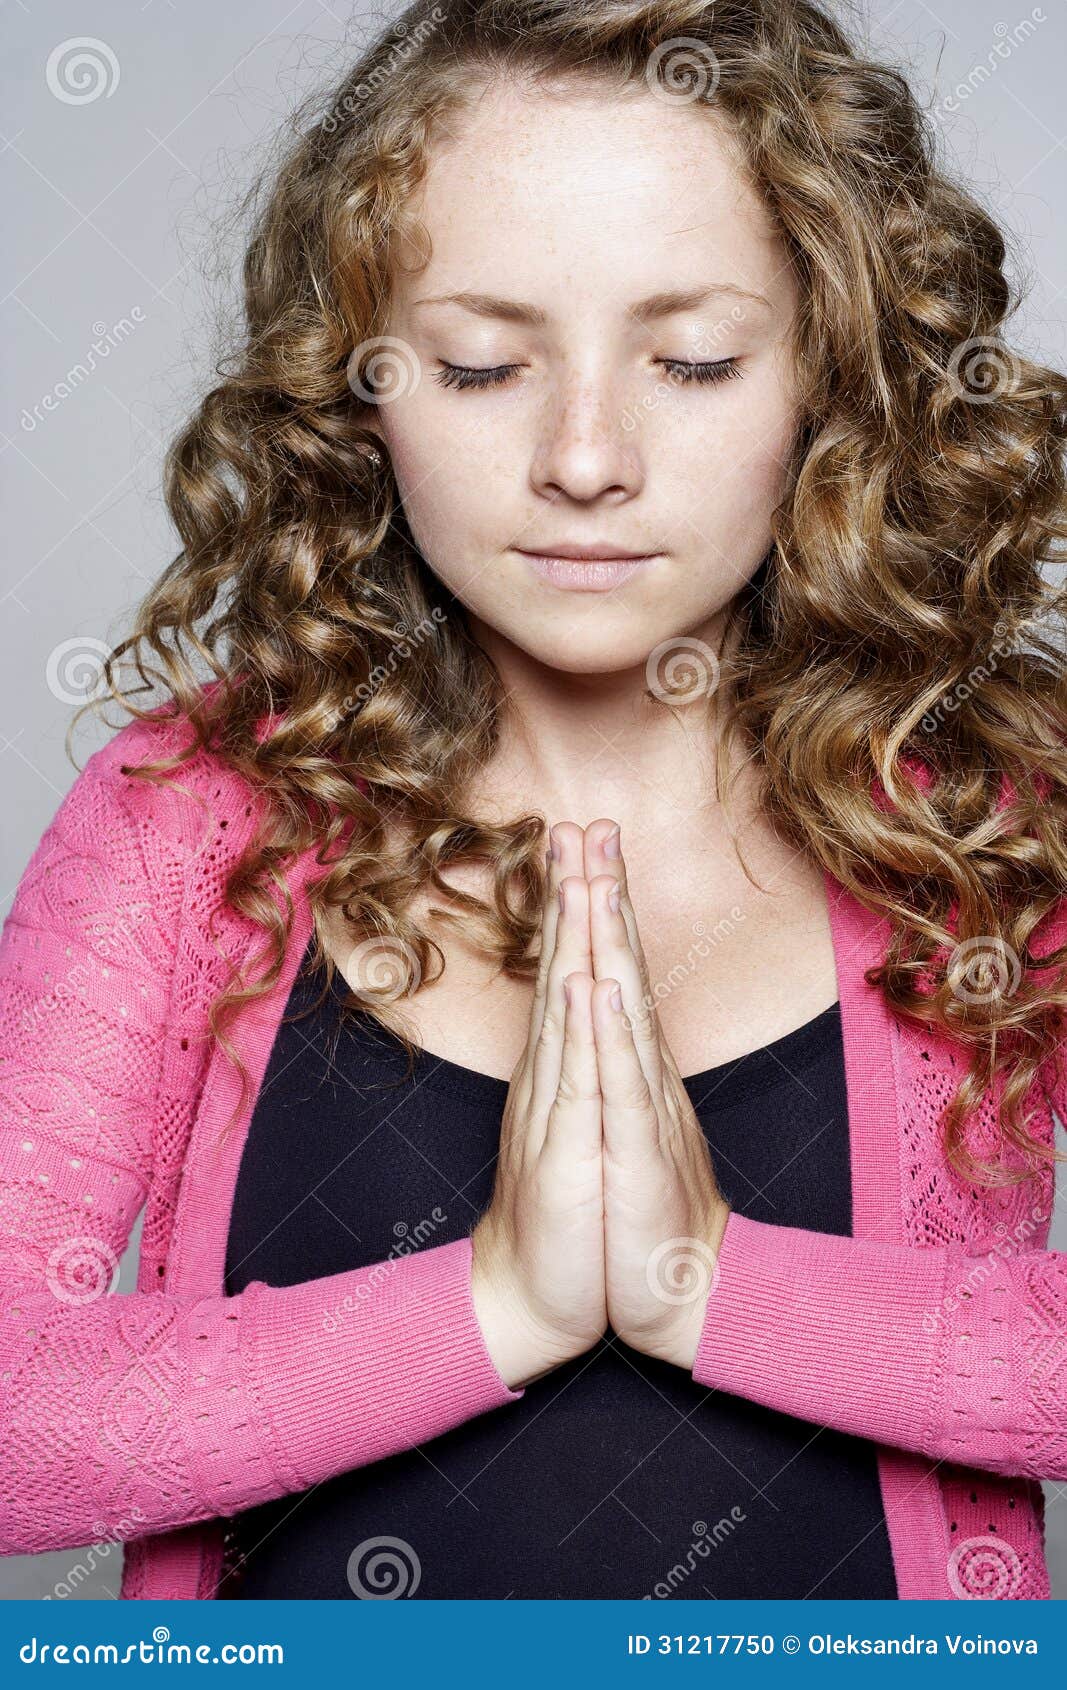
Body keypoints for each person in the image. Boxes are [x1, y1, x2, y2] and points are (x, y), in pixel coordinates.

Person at [2, 0, 1066, 1603]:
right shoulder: (184, 817)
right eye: (483, 363)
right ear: (360, 384)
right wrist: (498, 1301)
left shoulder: (994, 824)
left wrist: (705, 1285)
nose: (585, 456)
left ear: (829, 374)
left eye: (693, 358)